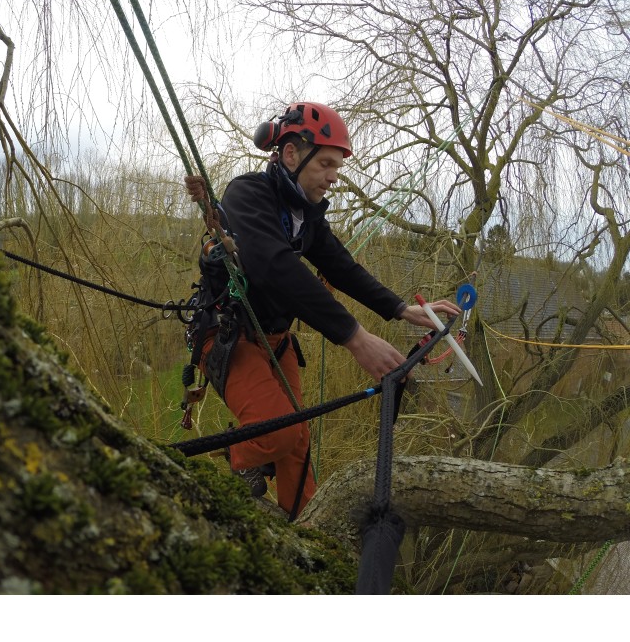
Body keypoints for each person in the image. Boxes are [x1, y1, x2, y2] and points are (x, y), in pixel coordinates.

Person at [194, 102, 460, 518]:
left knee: (297, 440)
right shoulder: (247, 196)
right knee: (278, 432)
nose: (334, 176)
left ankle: (303, 527)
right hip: (231, 335)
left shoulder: (306, 217)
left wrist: (399, 309)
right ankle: (236, 458)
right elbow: (276, 268)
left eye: (337, 166)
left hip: (275, 338)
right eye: (326, 164)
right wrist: (355, 337)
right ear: (290, 154)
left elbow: (341, 266)